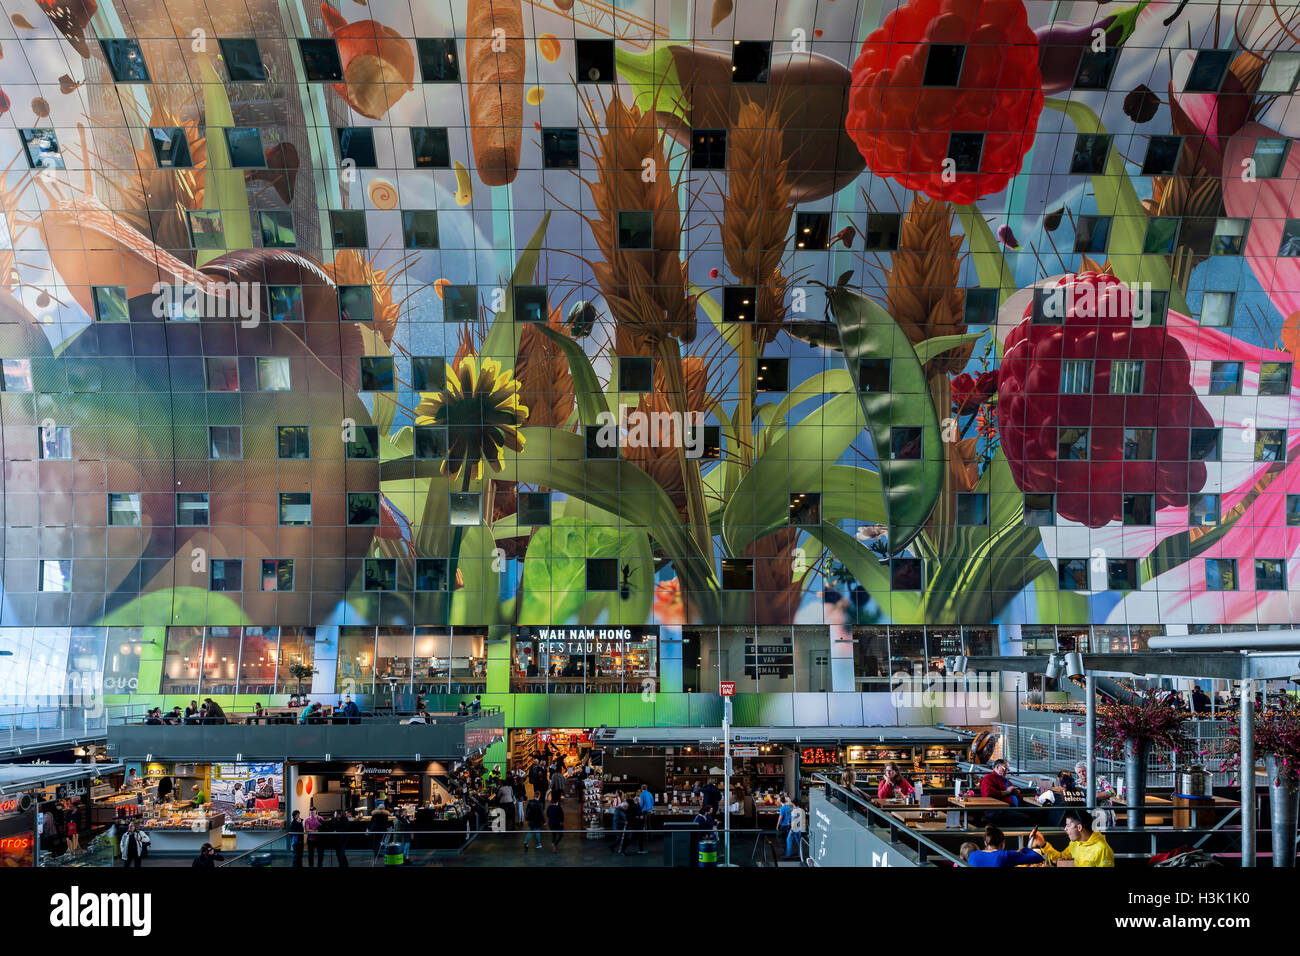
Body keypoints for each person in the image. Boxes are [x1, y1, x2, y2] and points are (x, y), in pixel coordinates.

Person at [1031, 810, 1115, 867]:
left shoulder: (1102, 849)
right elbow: (1060, 859)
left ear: (1079, 828)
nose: (1065, 829)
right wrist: (1043, 844)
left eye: (1068, 825)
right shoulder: (1075, 843)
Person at [967, 825, 1044, 867]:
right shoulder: (1006, 855)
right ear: (1003, 843)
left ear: (985, 843)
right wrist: (1024, 850)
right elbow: (1038, 857)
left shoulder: (972, 855)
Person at [636, 784, 653, 853]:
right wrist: (651, 807)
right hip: (649, 810)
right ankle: (650, 837)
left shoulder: (641, 794)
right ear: (647, 788)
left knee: (643, 824)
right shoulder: (650, 794)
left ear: (641, 789)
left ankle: (643, 837)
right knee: (649, 824)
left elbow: (641, 803)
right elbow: (652, 802)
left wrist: (639, 808)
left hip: (643, 811)